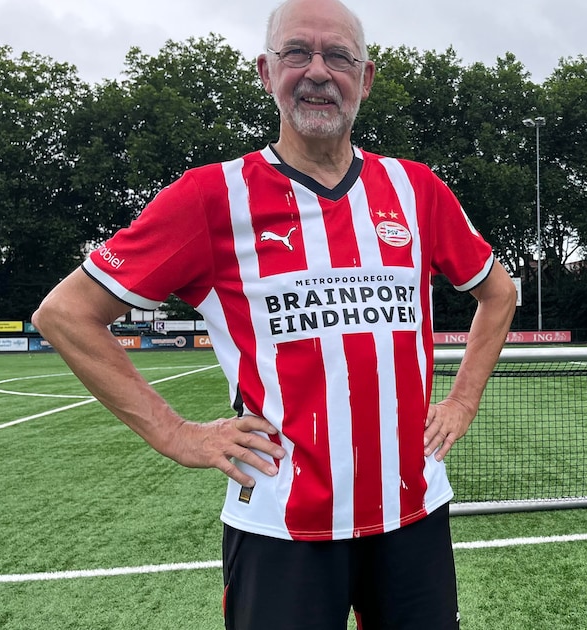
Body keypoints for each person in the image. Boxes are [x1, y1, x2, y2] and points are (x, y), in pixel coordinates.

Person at [31, 0, 517, 627]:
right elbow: (66, 314)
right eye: (297, 53)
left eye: (339, 56)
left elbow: (497, 292)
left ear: (365, 79)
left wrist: (462, 402)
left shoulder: (415, 190)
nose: (319, 71)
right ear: (266, 71)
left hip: (412, 516)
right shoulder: (212, 197)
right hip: (279, 528)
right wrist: (177, 435)